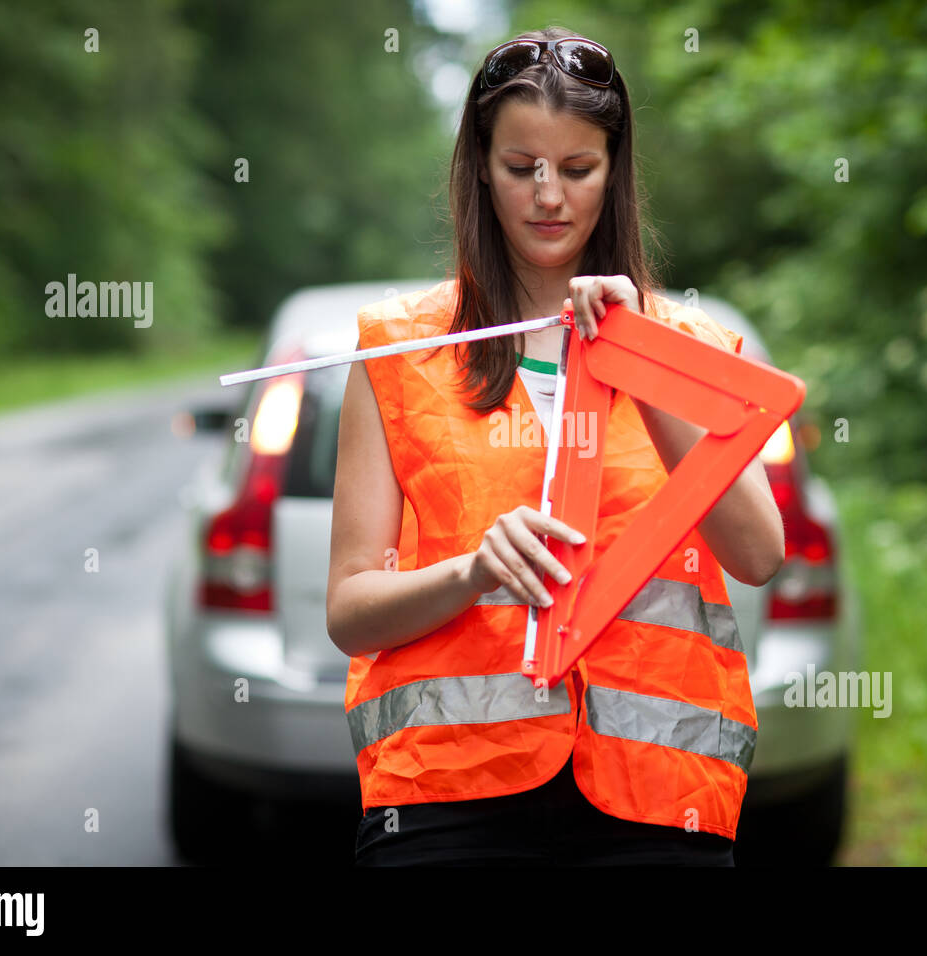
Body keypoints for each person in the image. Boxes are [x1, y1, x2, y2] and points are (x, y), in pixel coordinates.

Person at [326, 27, 786, 866]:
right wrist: (473, 571)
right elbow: (351, 612)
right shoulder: (396, 350)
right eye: (520, 167)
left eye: (578, 169)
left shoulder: (689, 343)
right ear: (479, 169)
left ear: (614, 174)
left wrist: (642, 357)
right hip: (446, 800)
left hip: (659, 803)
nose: (549, 195)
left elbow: (758, 553)